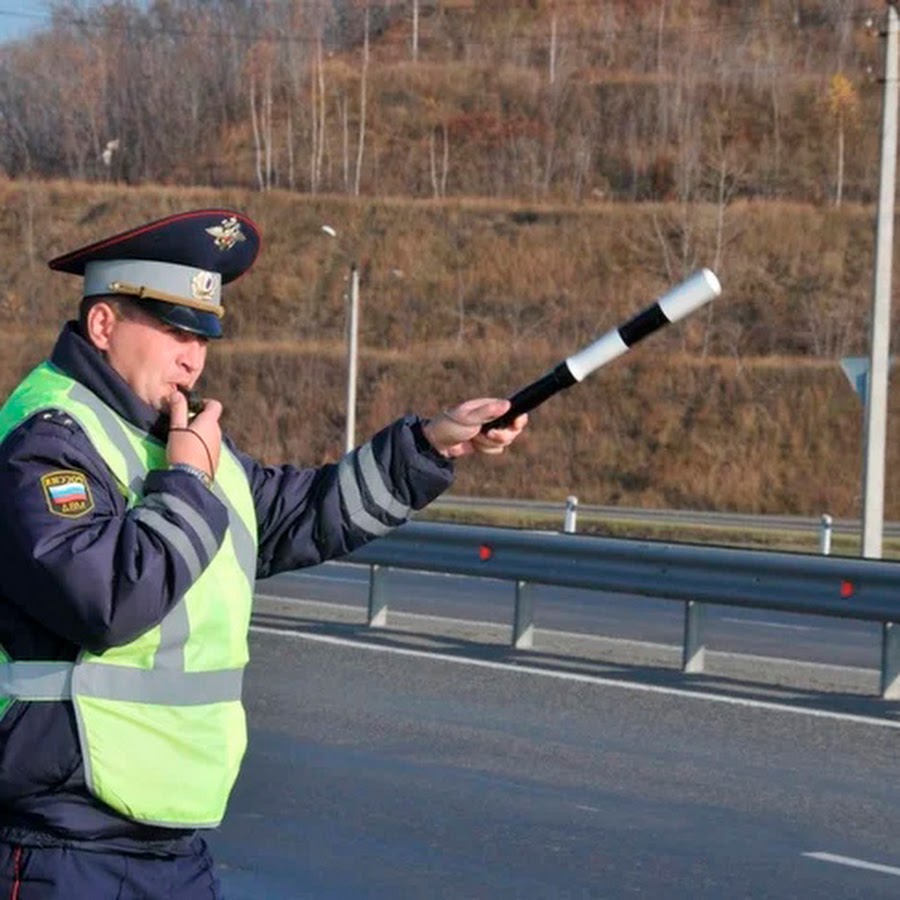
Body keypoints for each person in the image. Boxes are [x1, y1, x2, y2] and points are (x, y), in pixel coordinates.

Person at [0, 208, 527, 898]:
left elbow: (304, 512)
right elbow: (106, 600)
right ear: (103, 326)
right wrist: (187, 480)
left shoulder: (172, 443)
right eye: (171, 329)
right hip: (66, 844)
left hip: (172, 841)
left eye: (203, 334)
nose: (193, 356)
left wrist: (431, 443)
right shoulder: (49, 439)